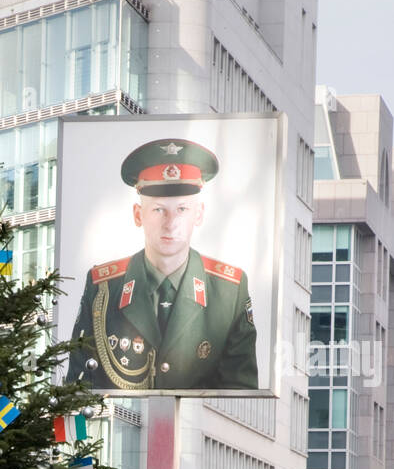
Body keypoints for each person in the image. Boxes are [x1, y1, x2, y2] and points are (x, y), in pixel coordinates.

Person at [66, 138, 258, 391]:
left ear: (198, 214)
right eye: (158, 210)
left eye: (181, 209)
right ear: (138, 215)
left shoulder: (229, 290)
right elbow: (78, 387)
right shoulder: (104, 287)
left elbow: (241, 390)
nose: (170, 223)